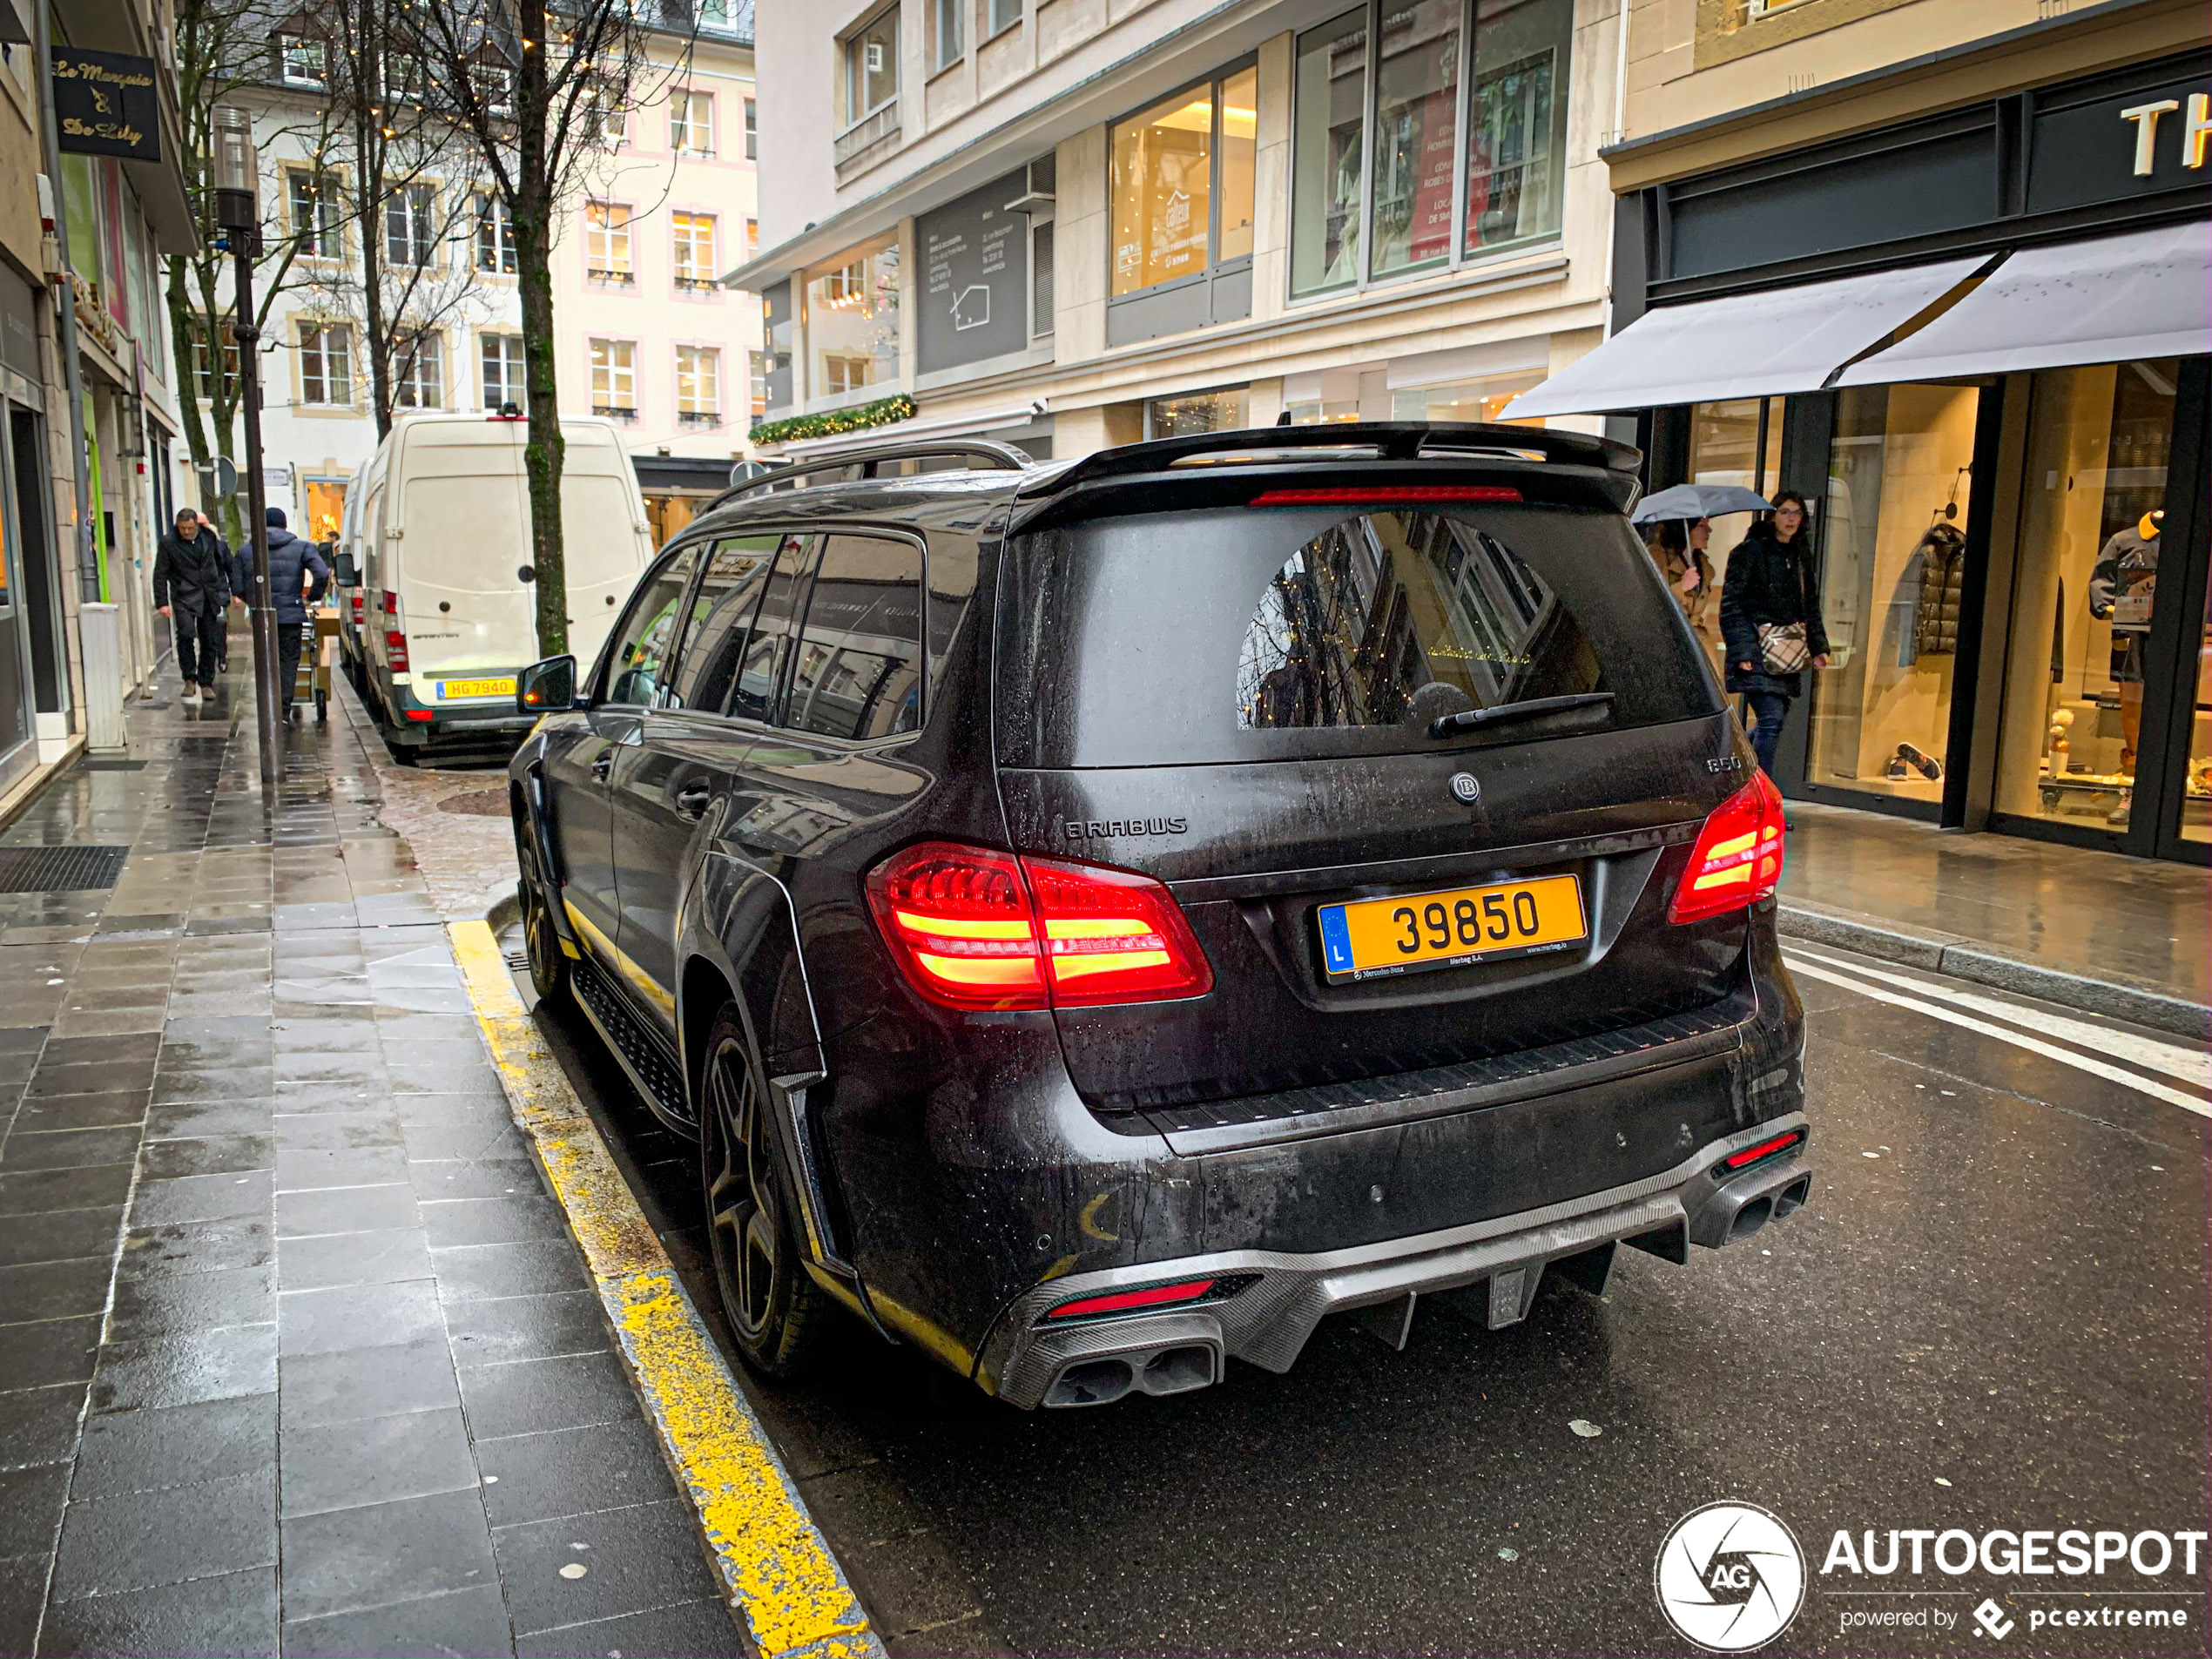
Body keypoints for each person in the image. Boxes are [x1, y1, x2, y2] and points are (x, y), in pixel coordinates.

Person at [1720, 490, 1830, 781]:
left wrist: (1818, 646)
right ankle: (1760, 800)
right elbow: (1732, 606)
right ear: (1772, 516)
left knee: (1772, 724)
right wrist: (1742, 653)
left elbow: (1811, 605)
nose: (1791, 519)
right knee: (1771, 720)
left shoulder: (1800, 555)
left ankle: (1735, 767)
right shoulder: (1750, 552)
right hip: (1757, 648)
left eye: (1797, 513)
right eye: (1784, 512)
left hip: (1787, 652)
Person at [239, 507, 331, 722]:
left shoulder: (247, 550)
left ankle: (267, 706)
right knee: (289, 662)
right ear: (285, 524)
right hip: (291, 614)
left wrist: (252, 601)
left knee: (265, 661)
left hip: (262, 616)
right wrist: (312, 597)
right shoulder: (301, 547)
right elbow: (322, 572)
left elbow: (236, 582)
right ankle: (283, 709)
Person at [152, 507, 230, 705]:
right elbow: (160, 573)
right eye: (182, 528)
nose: (186, 532)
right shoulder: (169, 543)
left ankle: (206, 682)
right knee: (186, 635)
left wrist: (225, 590)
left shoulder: (208, 538)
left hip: (208, 594)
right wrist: (161, 602)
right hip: (184, 595)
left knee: (209, 639)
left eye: (189, 528)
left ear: (196, 524)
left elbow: (219, 565)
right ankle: (189, 678)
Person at [1646, 517, 1716, 633]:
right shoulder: (1658, 556)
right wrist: (1682, 587)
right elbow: (1651, 601)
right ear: (1686, 529)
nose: (1709, 530)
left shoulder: (1703, 565)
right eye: (1701, 525)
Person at [195, 512, 234, 674]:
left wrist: (236, 592)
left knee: (219, 625)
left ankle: (222, 656)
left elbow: (230, 568)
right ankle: (207, 663)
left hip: (218, 593)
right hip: (197, 595)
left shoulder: (220, 546)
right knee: (205, 631)